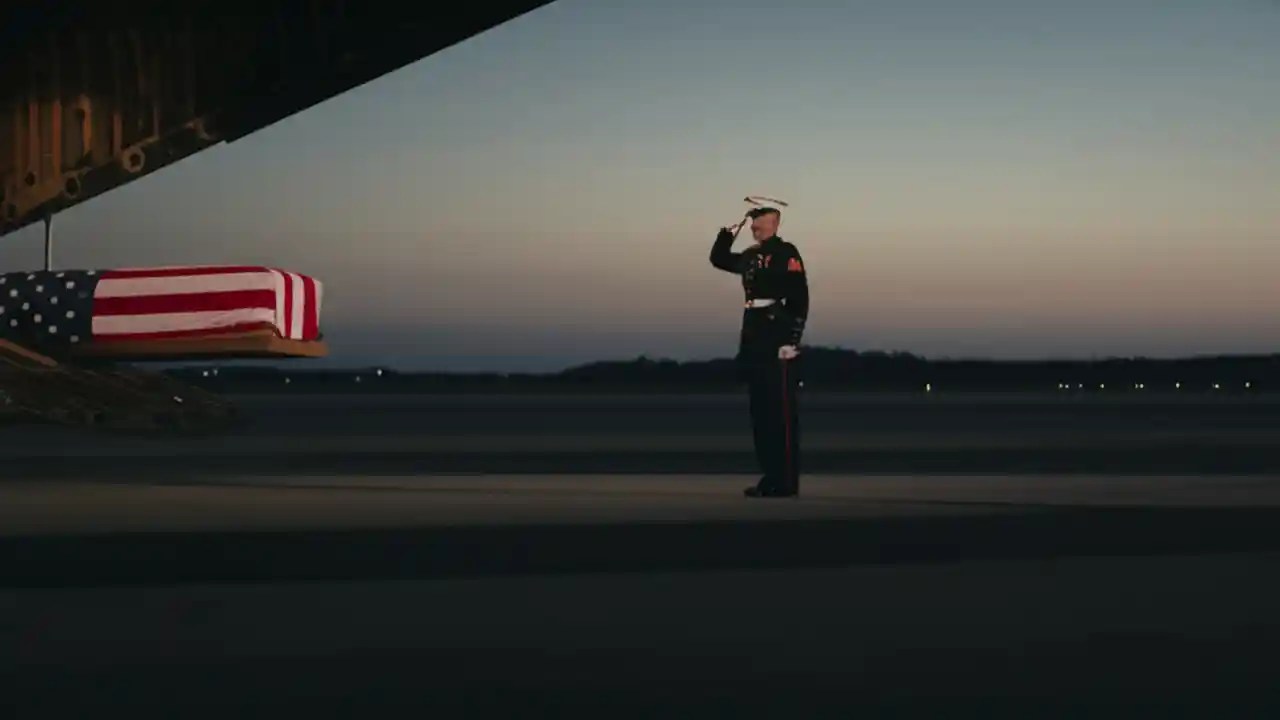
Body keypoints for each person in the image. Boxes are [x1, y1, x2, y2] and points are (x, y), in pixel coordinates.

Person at [709, 204, 808, 498]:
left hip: (777, 335)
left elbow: (799, 296)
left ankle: (786, 481)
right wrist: (728, 234)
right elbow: (719, 259)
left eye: (758, 221)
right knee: (761, 412)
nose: (753, 227)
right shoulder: (751, 255)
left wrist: (792, 339)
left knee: (781, 413)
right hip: (754, 335)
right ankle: (770, 476)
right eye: (752, 222)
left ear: (774, 223)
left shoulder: (786, 253)